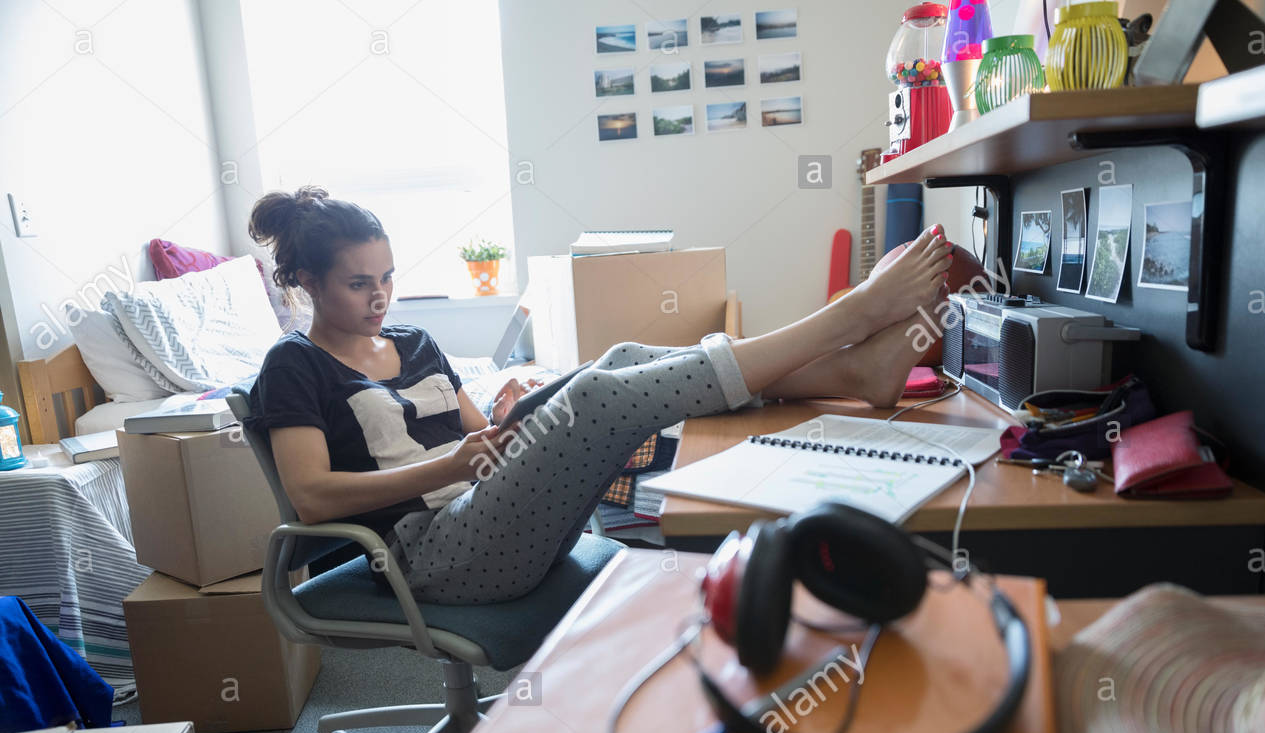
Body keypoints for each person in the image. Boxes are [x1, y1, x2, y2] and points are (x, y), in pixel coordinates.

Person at [242, 187, 953, 605]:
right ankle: (844, 323)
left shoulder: (416, 342)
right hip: (423, 555)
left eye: (388, 277)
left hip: (481, 510)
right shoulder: (295, 366)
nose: (380, 297)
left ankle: (853, 375)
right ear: (305, 281)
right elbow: (312, 499)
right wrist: (453, 466)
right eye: (358, 284)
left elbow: (474, 440)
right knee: (601, 400)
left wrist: (505, 415)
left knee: (614, 363)